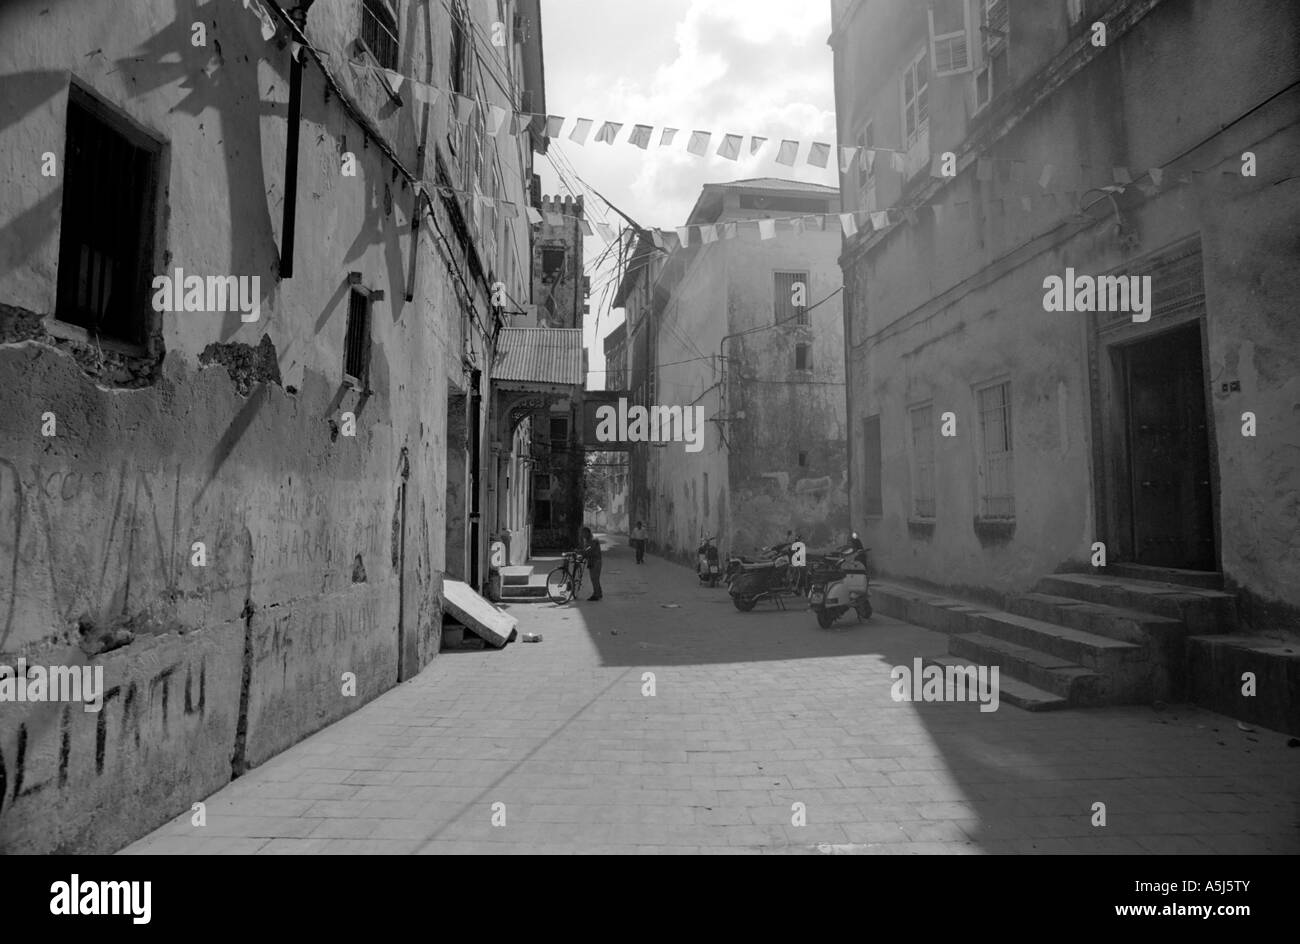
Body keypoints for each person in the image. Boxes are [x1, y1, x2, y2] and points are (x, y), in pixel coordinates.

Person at [580, 527, 603, 600]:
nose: (582, 535)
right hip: (592, 561)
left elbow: (589, 550)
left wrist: (582, 553)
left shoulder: (593, 540)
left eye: (583, 533)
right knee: (595, 578)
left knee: (594, 579)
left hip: (596, 561)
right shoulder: (587, 540)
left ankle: (596, 595)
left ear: (587, 533)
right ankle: (599, 593)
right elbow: (586, 551)